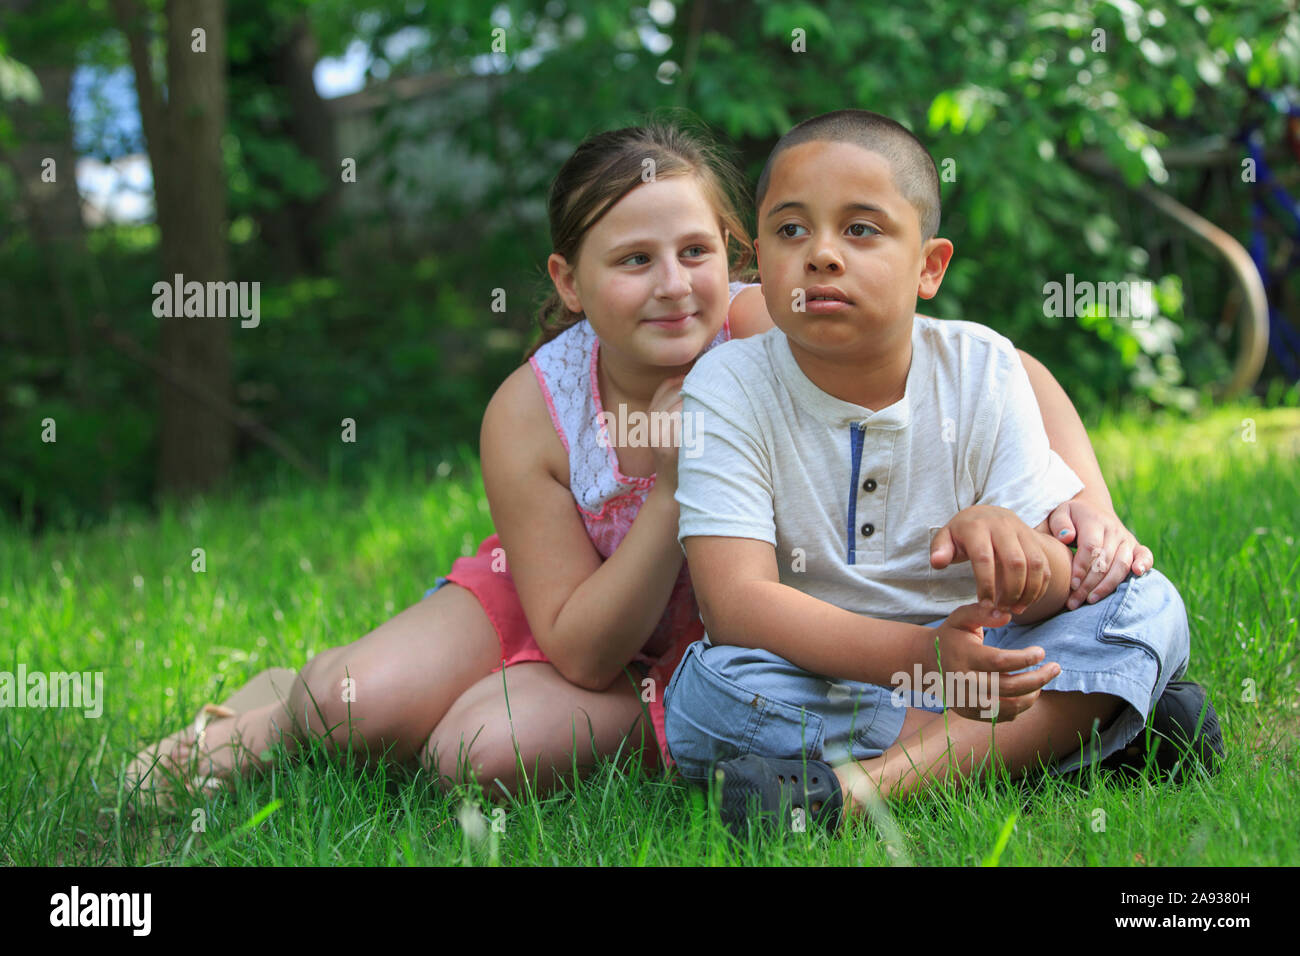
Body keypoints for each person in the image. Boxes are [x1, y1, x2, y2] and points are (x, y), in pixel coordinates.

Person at [124, 117, 1159, 808]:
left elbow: (1003, 365)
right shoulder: (534, 407)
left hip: (714, 635)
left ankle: (773, 737)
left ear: (734, 256)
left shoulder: (768, 321)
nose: (673, 288)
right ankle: (257, 712)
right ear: (569, 282)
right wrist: (674, 483)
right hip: (569, 603)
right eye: (631, 261)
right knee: (358, 699)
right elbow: (576, 644)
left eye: (697, 253)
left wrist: (1089, 506)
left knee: (477, 757)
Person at [663, 109, 1223, 834]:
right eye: (791, 230)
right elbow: (736, 605)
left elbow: (1056, 591)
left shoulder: (982, 368)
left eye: (861, 229)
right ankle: (1071, 733)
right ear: (759, 257)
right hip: (824, 673)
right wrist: (924, 661)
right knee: (709, 695)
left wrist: (1017, 554)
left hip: (986, 652)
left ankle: (849, 793)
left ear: (930, 267)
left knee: (1145, 607)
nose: (822, 254)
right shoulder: (726, 385)